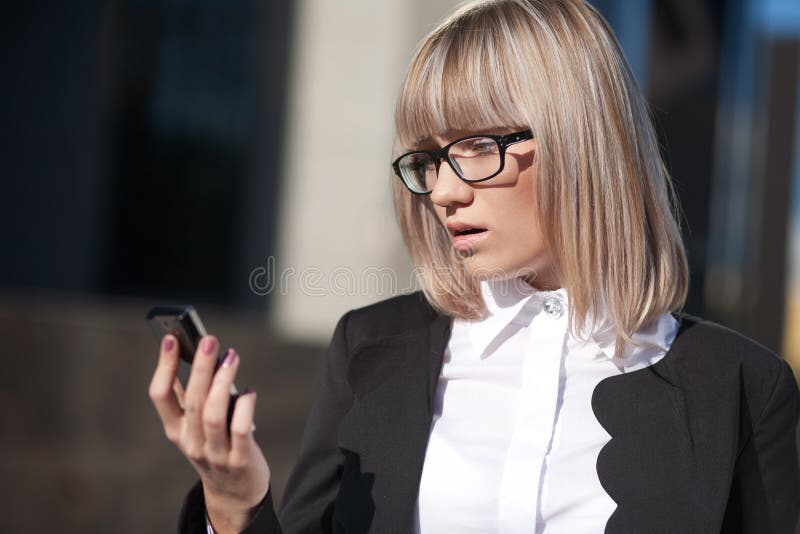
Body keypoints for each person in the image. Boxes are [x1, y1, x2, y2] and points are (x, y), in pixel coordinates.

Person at [148, 0, 800, 532]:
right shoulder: (370, 350)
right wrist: (233, 502)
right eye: (429, 160)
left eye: (478, 146)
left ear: (581, 139)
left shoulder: (744, 386)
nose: (443, 191)